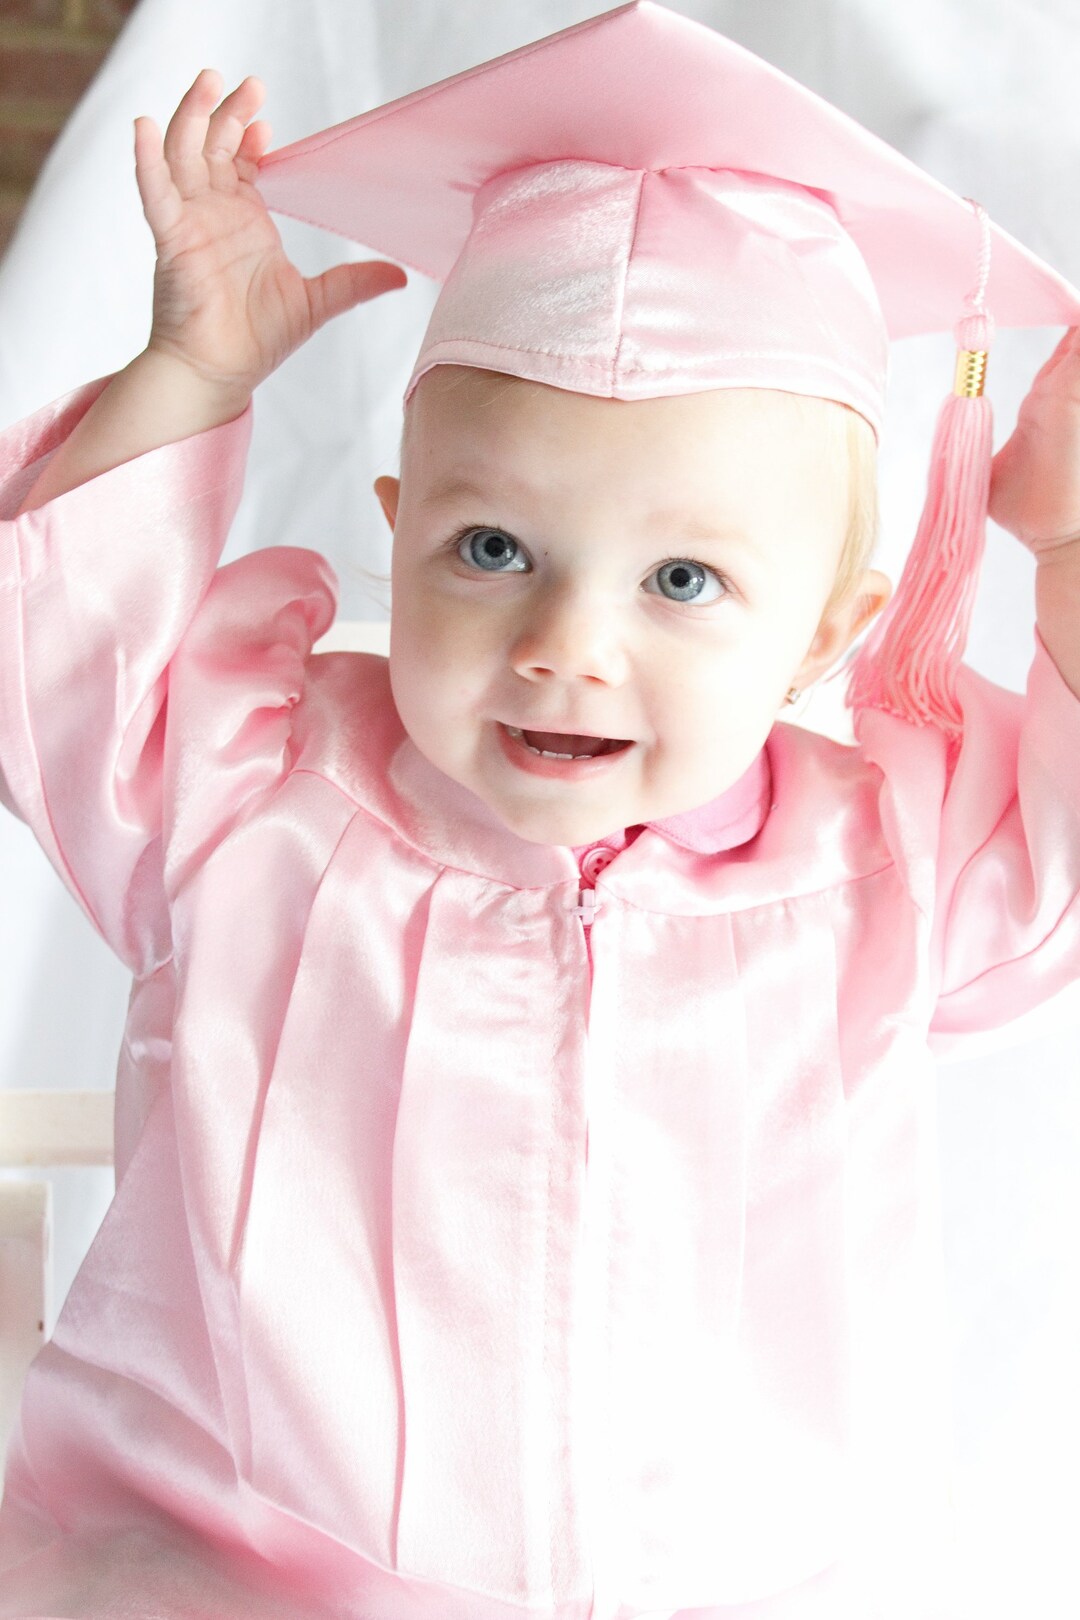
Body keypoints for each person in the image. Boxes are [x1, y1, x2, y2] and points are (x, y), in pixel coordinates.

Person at [0, 4, 1079, 1617]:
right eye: (491, 547)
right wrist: (190, 370)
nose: (569, 644)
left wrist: (1064, 545)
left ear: (833, 634)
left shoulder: (877, 866)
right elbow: (66, 654)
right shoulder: (248, 793)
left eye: (686, 580)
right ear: (396, 527)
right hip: (224, 1578)